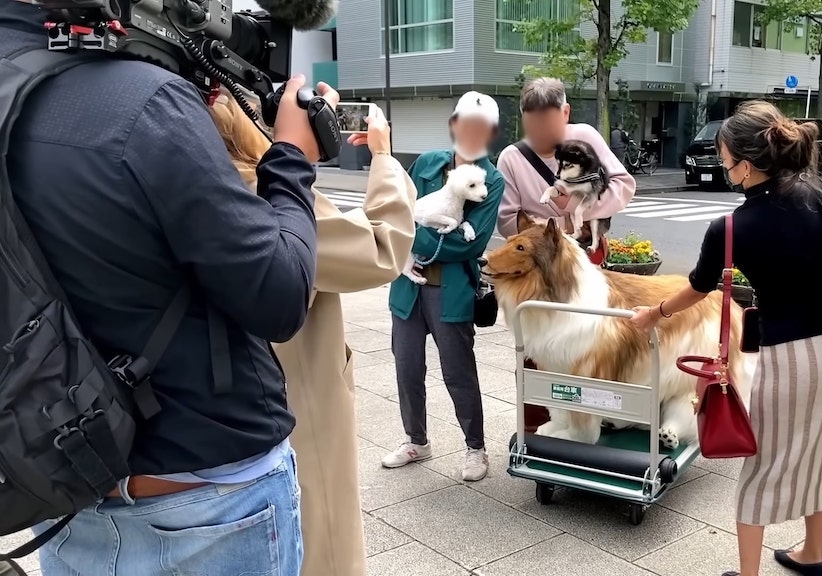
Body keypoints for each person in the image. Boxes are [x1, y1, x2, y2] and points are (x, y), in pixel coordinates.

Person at [3, 0, 333, 572]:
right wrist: (293, 159)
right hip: (206, 498)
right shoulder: (143, 101)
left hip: (60, 479)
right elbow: (280, 293)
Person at [629, 100, 822, 576]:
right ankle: (812, 554)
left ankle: (748, 574)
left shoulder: (731, 226)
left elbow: (697, 287)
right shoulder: (818, 191)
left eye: (725, 159)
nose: (724, 166)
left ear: (746, 167)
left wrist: (654, 313)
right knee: (819, 451)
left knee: (761, 464)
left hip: (788, 357)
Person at [210, 96, 415, 576]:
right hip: (289, 403)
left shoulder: (165, 183)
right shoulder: (263, 193)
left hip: (194, 431)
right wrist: (383, 156)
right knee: (322, 543)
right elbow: (384, 245)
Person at [384, 91, 506, 481]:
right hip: (407, 288)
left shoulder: (493, 179)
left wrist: (406, 242)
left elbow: (469, 242)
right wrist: (398, 247)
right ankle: (415, 439)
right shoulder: (427, 163)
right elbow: (396, 211)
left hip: (450, 290)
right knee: (407, 367)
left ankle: (476, 449)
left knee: (458, 371)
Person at [496, 77, 635, 265]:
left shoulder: (585, 137)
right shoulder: (511, 158)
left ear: (566, 112)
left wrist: (573, 206)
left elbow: (623, 185)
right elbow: (508, 223)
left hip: (583, 258)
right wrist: (567, 224)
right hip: (537, 263)